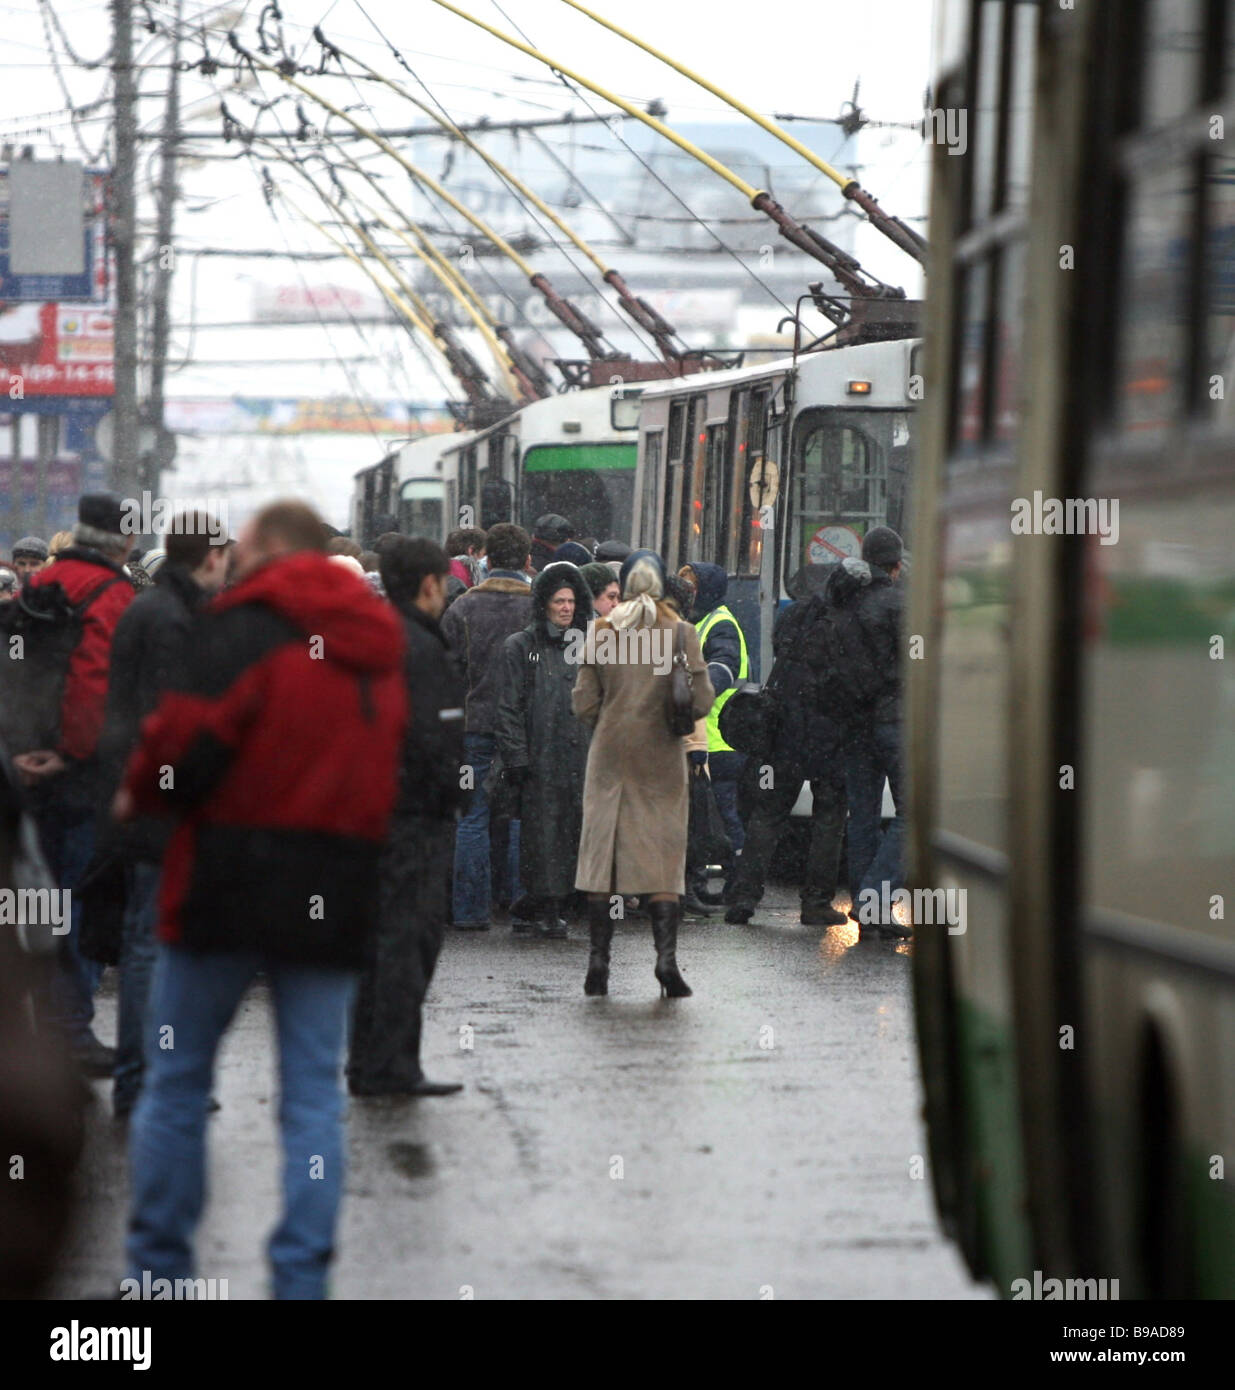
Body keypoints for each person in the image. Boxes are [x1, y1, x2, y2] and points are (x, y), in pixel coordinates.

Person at [116, 499, 407, 1300]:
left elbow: (180, 747)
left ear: (272, 552)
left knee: (176, 1082)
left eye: (242, 547)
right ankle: (300, 1280)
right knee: (313, 1093)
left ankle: (157, 1276)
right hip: (334, 884)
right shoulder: (374, 647)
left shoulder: (236, 633)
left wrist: (139, 795)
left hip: (224, 881)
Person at [98, 513, 230, 1120]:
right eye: (223, 551)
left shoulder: (148, 609)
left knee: (146, 940)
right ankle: (150, 1085)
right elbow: (174, 721)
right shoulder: (176, 619)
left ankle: (142, 1081)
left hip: (141, 792)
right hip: (165, 803)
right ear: (207, 556)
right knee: (156, 944)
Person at [15, 494, 136, 1076]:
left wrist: (20, 752)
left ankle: (34, 1028)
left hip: (25, 764)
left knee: (34, 895)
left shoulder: (40, 582)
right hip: (81, 772)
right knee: (78, 897)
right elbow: (93, 686)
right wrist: (70, 754)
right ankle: (69, 1031)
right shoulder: (111, 594)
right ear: (125, 542)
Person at [349, 537, 466, 1098]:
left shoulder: (377, 637)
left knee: (379, 940)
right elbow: (430, 737)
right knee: (409, 939)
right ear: (428, 584)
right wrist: (448, 793)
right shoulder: (420, 647)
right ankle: (392, 1065)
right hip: (415, 816)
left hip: (375, 809)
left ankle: (368, 1059)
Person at [573, 550, 713, 997]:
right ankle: (666, 962)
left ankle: (599, 961)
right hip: (661, 759)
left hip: (610, 756)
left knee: (602, 859)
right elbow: (703, 701)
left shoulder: (601, 631)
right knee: (663, 860)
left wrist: (613, 719)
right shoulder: (680, 633)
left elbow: (583, 702)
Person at [724, 563, 850, 928]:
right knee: (829, 817)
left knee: (769, 813)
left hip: (784, 729)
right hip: (829, 732)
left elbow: (780, 650)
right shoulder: (844, 626)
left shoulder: (796, 614)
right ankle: (815, 903)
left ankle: (744, 897)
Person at [439, 522, 533, 930]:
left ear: (487, 560)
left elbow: (445, 670)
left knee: (472, 817)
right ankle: (518, 905)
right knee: (519, 817)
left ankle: (469, 911)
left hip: (472, 728)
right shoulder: (536, 606)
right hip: (524, 730)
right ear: (528, 561)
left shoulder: (462, 608)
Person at [494, 562, 592, 937]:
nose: (566, 608)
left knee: (573, 831)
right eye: (558, 601)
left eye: (570, 601)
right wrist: (517, 758)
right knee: (544, 834)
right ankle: (547, 907)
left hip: (579, 755)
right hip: (541, 757)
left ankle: (542, 902)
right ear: (544, 604)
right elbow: (509, 708)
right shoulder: (521, 646)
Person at [837, 526, 908, 937]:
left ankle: (871, 912)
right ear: (896, 565)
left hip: (853, 724)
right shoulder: (900, 605)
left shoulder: (845, 602)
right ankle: (873, 899)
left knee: (862, 815)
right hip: (895, 721)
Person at [677, 562, 750, 861]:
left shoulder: (720, 624)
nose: (687, 596)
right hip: (703, 737)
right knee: (709, 817)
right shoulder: (698, 619)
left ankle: (737, 883)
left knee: (723, 817)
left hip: (719, 740)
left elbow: (724, 667)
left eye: (691, 589)